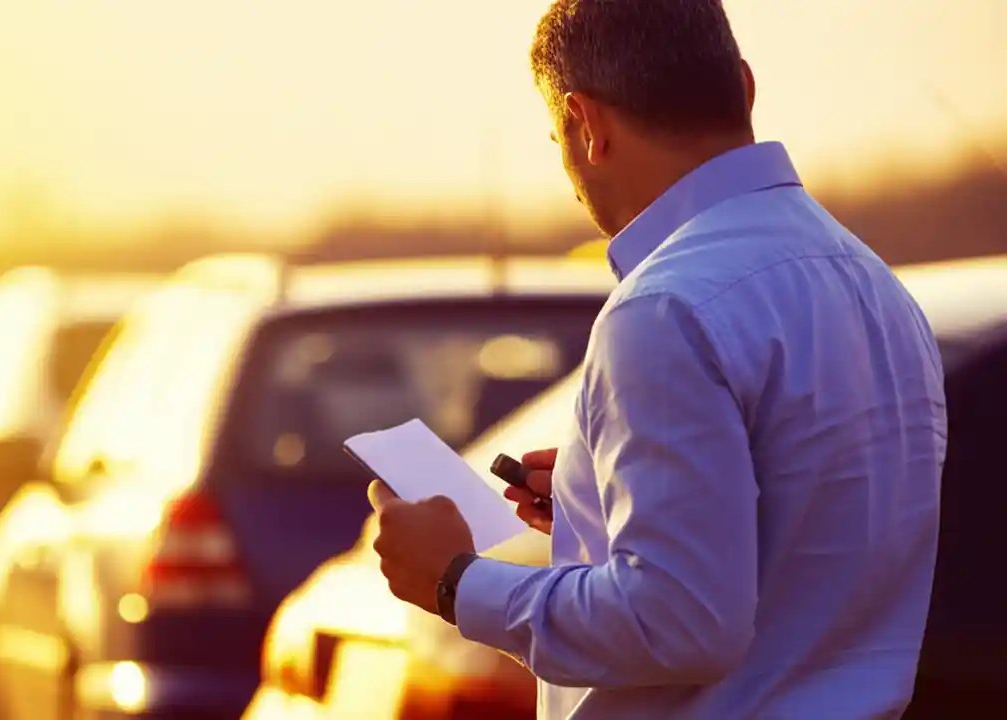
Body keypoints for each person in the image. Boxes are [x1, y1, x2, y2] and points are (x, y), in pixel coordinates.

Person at [367, 1, 948, 718]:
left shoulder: (664, 308)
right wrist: (597, 503)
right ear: (744, 88)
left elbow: (679, 621)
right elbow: (803, 547)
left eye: (557, 135)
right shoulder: (873, 283)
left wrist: (455, 583)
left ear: (588, 126)